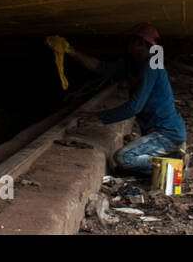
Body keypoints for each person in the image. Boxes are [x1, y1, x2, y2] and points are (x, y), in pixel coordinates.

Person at [63, 23, 186, 175]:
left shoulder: (151, 67)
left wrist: (98, 117)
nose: (126, 45)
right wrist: (70, 50)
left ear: (140, 43)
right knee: (124, 167)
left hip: (166, 134)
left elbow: (134, 107)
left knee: (124, 158)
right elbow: (100, 67)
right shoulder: (135, 64)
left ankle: (174, 165)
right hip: (161, 132)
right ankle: (170, 158)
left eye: (130, 41)